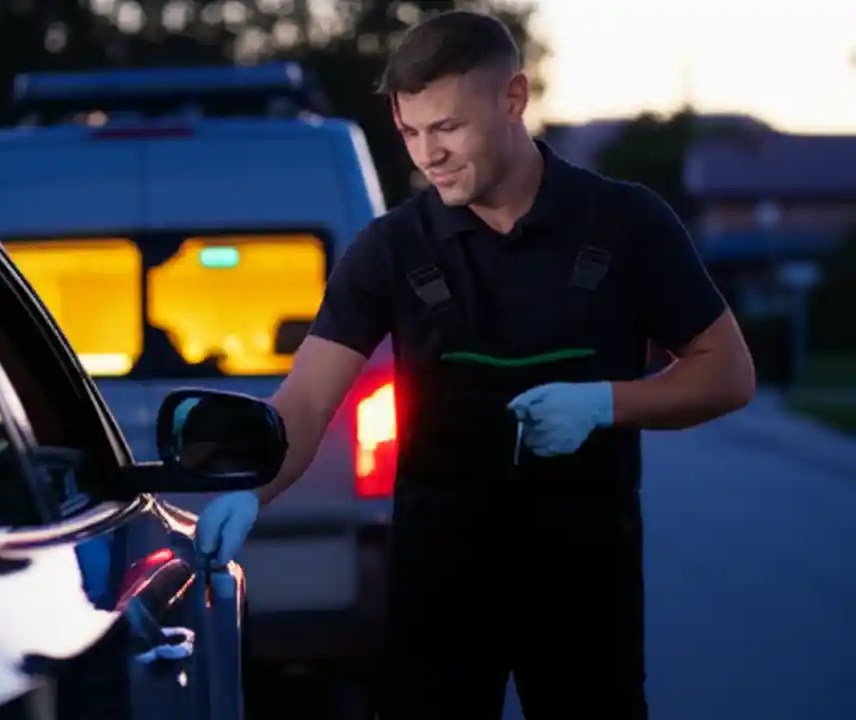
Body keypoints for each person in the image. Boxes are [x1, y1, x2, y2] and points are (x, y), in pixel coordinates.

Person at [193, 9, 757, 719]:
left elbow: (728, 373)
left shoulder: (625, 224)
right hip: (440, 586)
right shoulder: (391, 250)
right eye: (410, 132)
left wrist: (607, 403)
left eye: (448, 128)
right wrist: (250, 491)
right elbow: (304, 404)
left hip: (584, 585)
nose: (428, 154)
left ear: (513, 100)